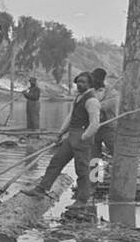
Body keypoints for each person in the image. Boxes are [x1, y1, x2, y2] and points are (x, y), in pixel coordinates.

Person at [23, 71, 99, 203]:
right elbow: (70, 117)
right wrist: (61, 133)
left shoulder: (92, 100)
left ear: (90, 84)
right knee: (56, 162)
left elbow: (94, 123)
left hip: (82, 138)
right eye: (78, 82)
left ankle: (83, 199)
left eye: (83, 82)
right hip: (71, 136)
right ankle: (41, 189)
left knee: (82, 170)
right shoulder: (78, 97)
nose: (80, 84)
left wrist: (84, 137)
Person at [90, 68, 118, 158]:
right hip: (94, 128)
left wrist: (94, 104)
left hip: (109, 127)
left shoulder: (111, 93)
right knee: (93, 156)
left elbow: (105, 106)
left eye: (95, 79)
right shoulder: (90, 92)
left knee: (116, 151)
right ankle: (94, 172)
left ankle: (119, 171)